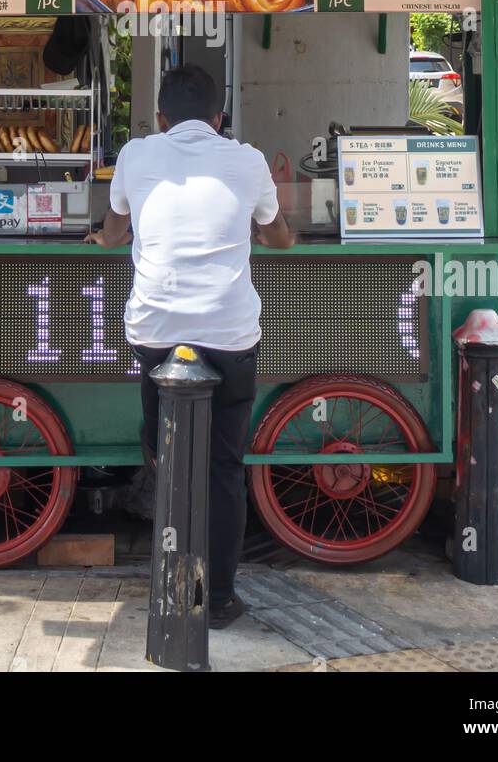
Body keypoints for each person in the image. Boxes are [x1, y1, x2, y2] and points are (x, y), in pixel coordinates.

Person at [87, 63, 294, 629]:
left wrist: (101, 238)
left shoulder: (135, 155)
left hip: (156, 334)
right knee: (225, 467)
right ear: (218, 118)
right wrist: (271, 234)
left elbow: (114, 234)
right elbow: (278, 236)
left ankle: (168, 563)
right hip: (230, 336)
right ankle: (219, 599)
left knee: (164, 449)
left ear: (160, 118)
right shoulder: (248, 160)